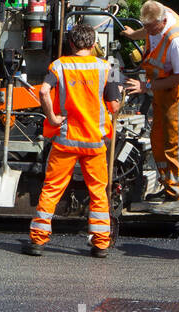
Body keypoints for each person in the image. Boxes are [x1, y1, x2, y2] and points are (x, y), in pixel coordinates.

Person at [25, 23, 123, 259]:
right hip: (94, 141)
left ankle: (38, 241)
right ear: (93, 43)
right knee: (98, 191)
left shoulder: (59, 65)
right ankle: (100, 244)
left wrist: (52, 117)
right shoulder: (107, 67)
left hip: (66, 139)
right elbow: (115, 106)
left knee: (52, 188)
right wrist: (119, 92)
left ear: (71, 43)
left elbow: (43, 91)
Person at [122, 1, 179, 208]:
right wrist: (132, 35)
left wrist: (146, 86)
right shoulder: (156, 18)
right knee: (158, 139)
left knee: (175, 141)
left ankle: (176, 191)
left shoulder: (177, 41)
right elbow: (145, 31)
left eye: (151, 28)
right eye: (145, 28)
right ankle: (167, 184)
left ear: (163, 22)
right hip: (162, 89)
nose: (148, 32)